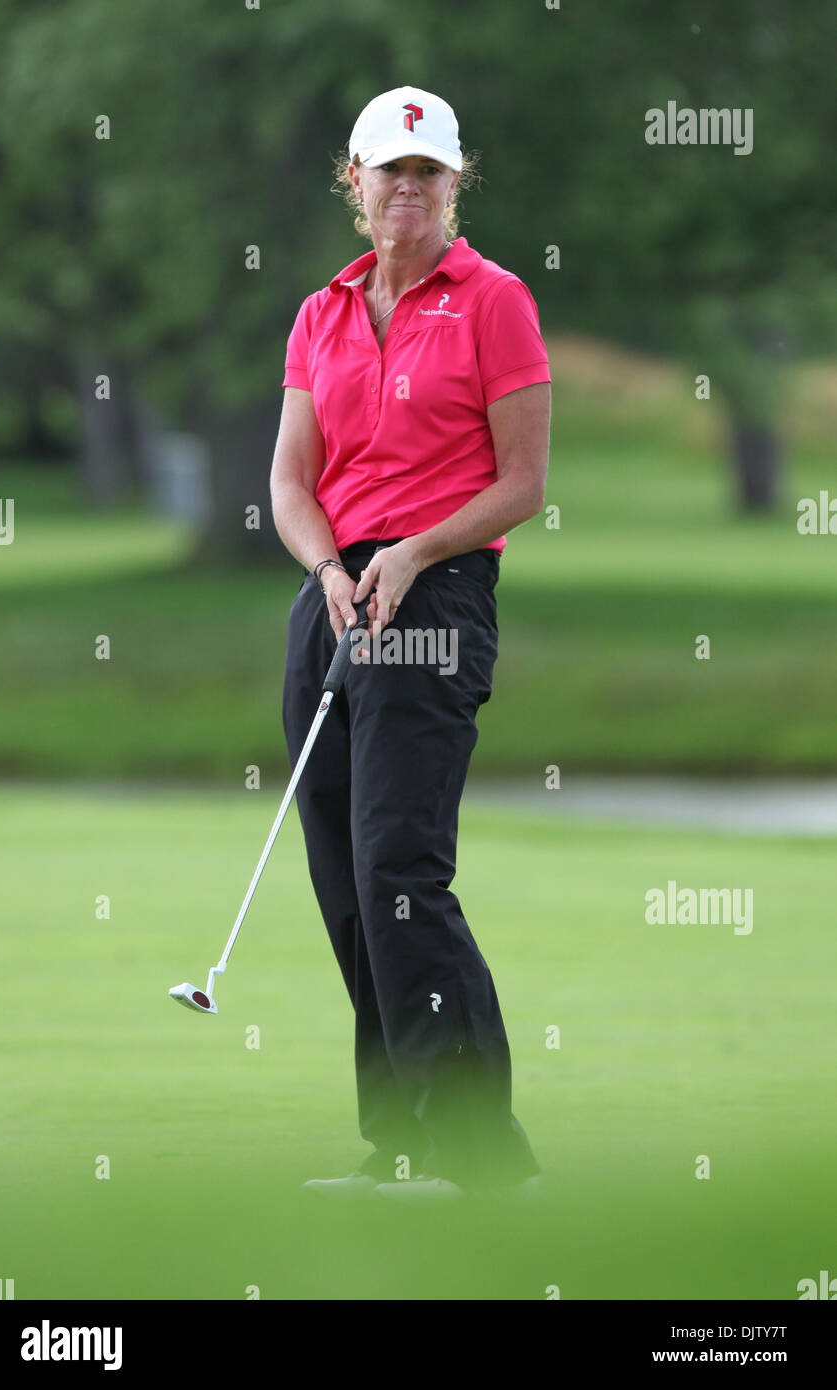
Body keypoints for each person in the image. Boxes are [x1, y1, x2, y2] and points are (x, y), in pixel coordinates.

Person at [270, 85, 551, 1202]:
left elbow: (521, 483)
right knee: (344, 873)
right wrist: (328, 568)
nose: (405, 186)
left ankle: (477, 1151)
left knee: (398, 867)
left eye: (426, 171)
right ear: (354, 181)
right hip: (335, 595)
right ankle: (398, 1140)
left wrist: (412, 552)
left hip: (434, 599)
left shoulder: (494, 300)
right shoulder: (320, 311)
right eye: (387, 168)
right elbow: (292, 483)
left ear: (452, 183)